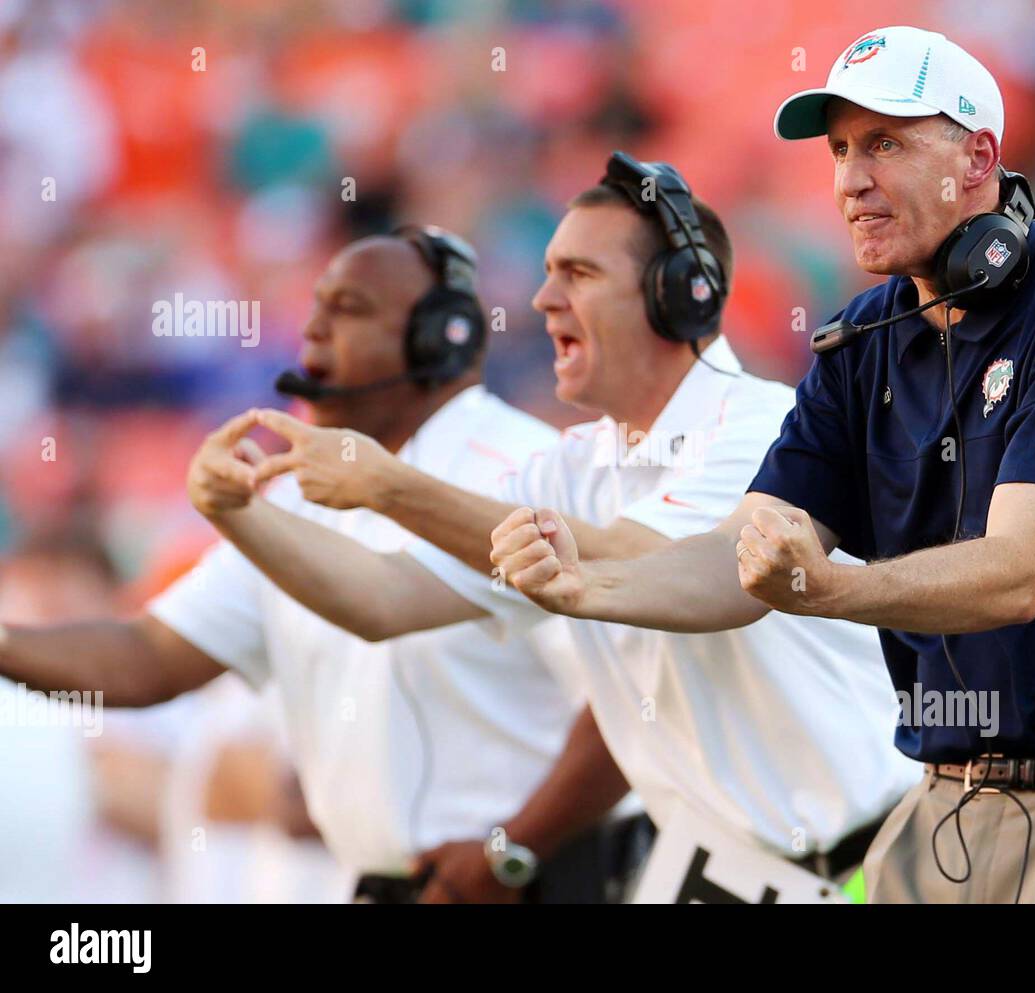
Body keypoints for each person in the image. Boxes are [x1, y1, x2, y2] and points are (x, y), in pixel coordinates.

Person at [492, 27, 1035, 904]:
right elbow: (740, 556)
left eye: (885, 144)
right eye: (840, 149)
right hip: (943, 806)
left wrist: (827, 588)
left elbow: (1017, 574)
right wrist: (590, 587)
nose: (849, 180)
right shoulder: (861, 339)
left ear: (979, 157)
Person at [199, 154, 920, 898]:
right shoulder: (569, 468)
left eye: (578, 273)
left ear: (678, 296)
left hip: (867, 867)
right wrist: (237, 511)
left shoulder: (767, 423)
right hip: (721, 879)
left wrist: (387, 485)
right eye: (548, 271)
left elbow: (659, 563)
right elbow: (385, 599)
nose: (543, 299)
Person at [0, 228, 636, 904]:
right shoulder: (298, 491)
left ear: (437, 339)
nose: (312, 329)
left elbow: (628, 699)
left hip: (534, 881)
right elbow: (149, 656)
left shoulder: (533, 473)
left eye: (349, 308)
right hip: (391, 883)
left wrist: (508, 853)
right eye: (315, 306)